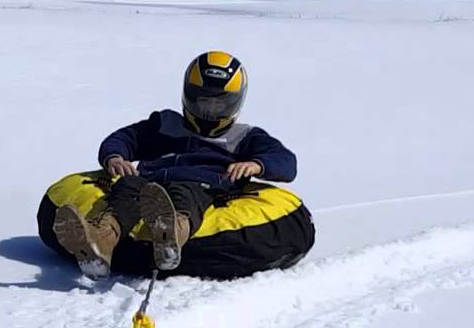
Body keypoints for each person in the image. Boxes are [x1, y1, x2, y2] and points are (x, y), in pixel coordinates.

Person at [52, 50, 298, 277]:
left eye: (218, 105)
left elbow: (286, 161)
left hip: (203, 185)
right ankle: (101, 241)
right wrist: (115, 157)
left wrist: (256, 165)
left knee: (185, 193)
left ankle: (172, 236)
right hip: (151, 181)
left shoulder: (244, 136)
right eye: (203, 102)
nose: (209, 112)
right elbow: (125, 138)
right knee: (127, 188)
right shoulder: (165, 123)